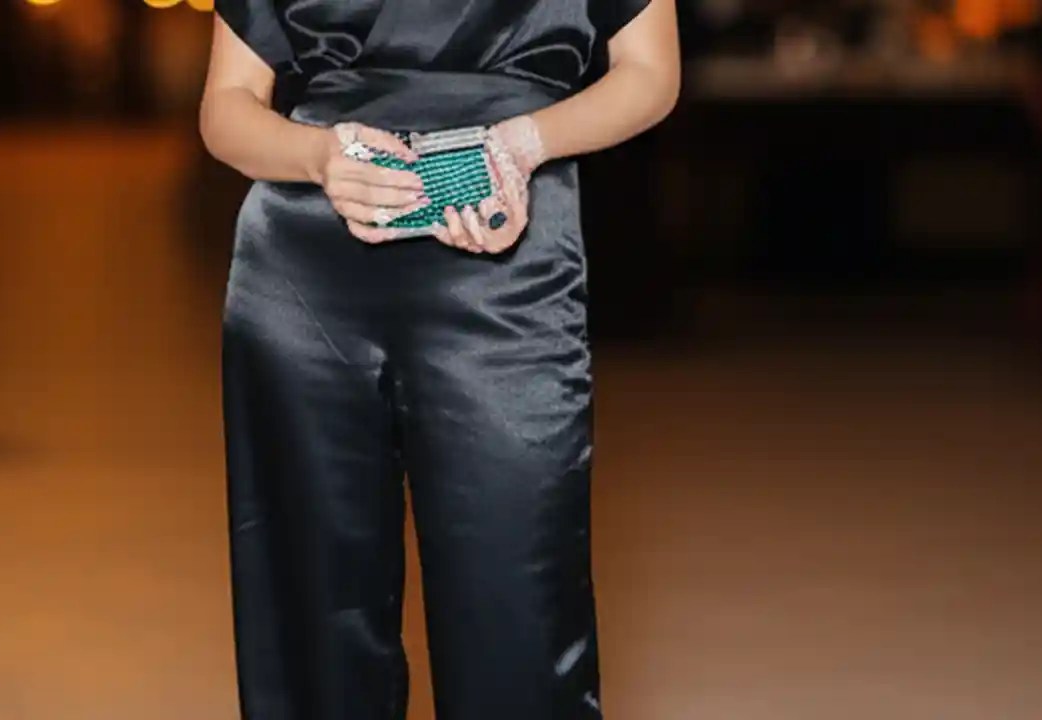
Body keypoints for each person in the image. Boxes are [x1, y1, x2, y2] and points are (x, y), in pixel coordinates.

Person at [199, 2, 681, 718]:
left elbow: (651, 73)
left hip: (507, 261)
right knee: (308, 620)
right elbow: (226, 105)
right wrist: (319, 157)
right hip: (304, 268)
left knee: (517, 611)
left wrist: (521, 143)